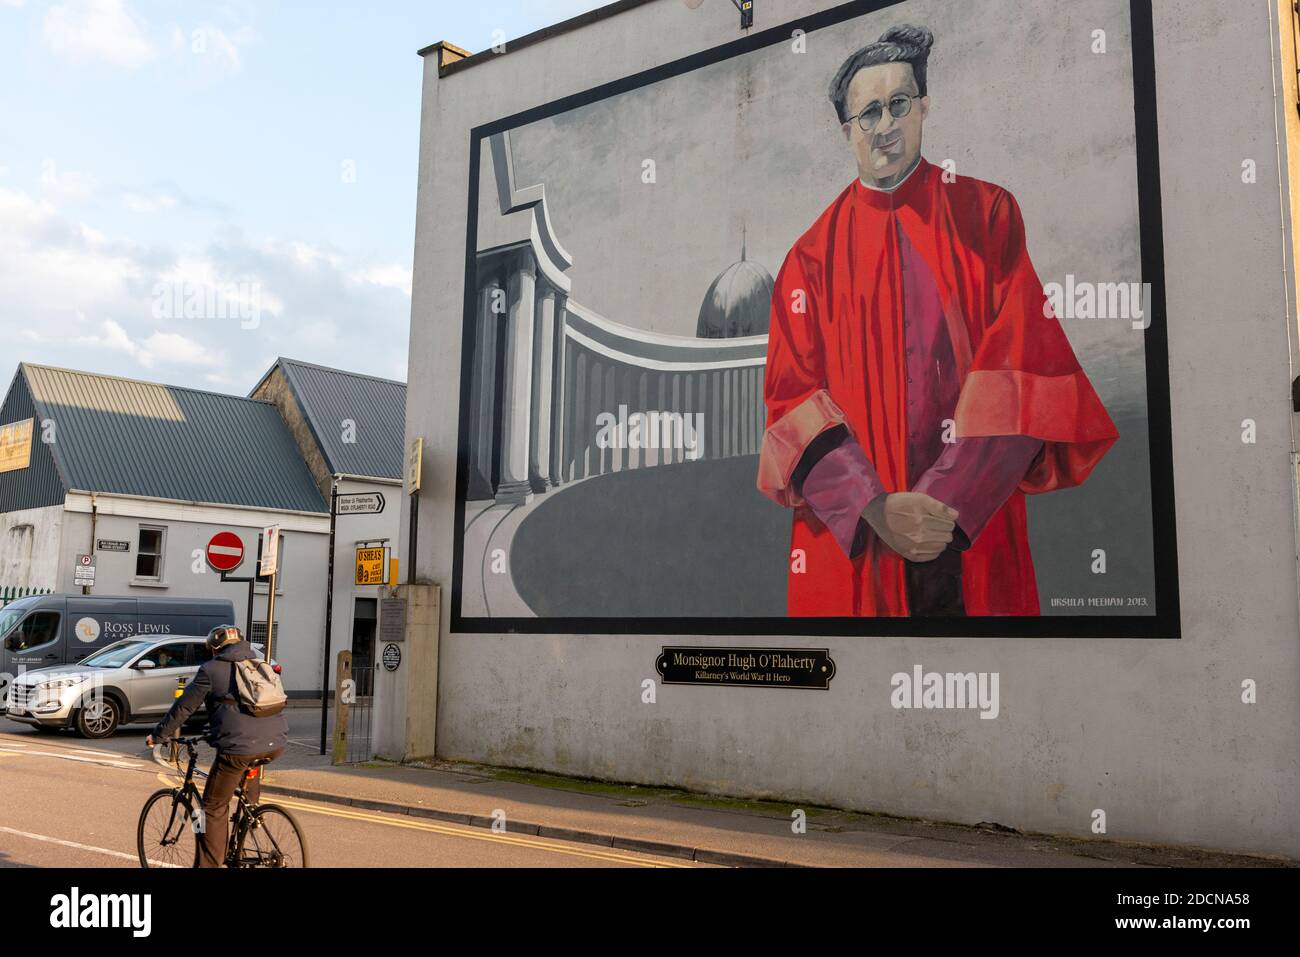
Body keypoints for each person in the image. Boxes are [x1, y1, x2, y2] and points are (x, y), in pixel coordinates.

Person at [757, 24, 1118, 616]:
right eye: (867, 113)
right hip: (862, 543)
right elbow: (790, 405)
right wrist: (874, 507)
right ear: (846, 130)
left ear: (924, 105)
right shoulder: (809, 260)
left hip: (974, 525)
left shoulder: (988, 215)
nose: (886, 124)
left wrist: (947, 500)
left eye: (899, 103)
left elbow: (1023, 371)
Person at [146, 625, 288, 868]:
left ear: (214, 648)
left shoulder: (211, 670)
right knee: (245, 792)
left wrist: (159, 735)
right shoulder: (260, 665)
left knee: (212, 806)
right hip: (275, 744)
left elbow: (184, 707)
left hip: (238, 749)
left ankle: (210, 864)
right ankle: (250, 821)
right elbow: (243, 709)